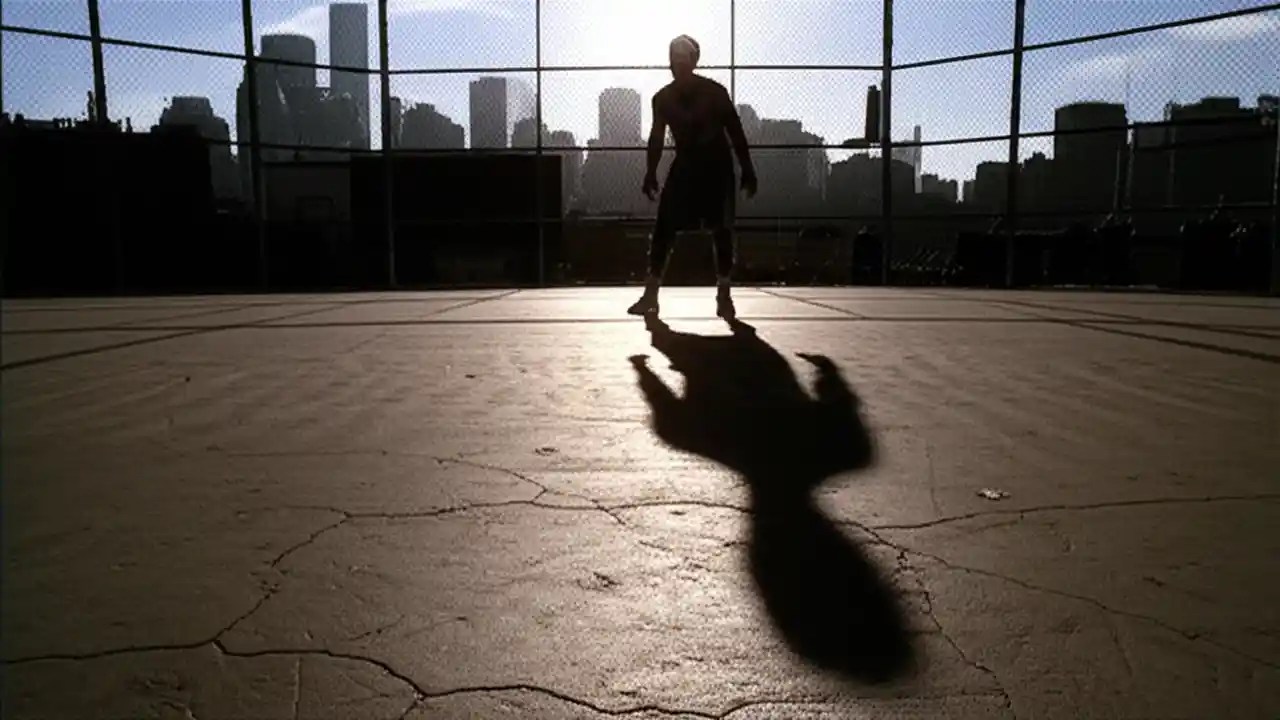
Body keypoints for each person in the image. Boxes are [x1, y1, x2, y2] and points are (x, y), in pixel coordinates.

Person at [628, 34, 758, 320]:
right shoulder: (663, 98)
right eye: (675, 59)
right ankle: (652, 294)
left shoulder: (714, 92)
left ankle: (723, 293)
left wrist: (747, 167)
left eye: (683, 58)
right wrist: (650, 171)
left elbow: (735, 131)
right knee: (666, 226)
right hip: (687, 165)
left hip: (716, 166)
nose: (678, 64)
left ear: (694, 61)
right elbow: (656, 137)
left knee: (721, 229)